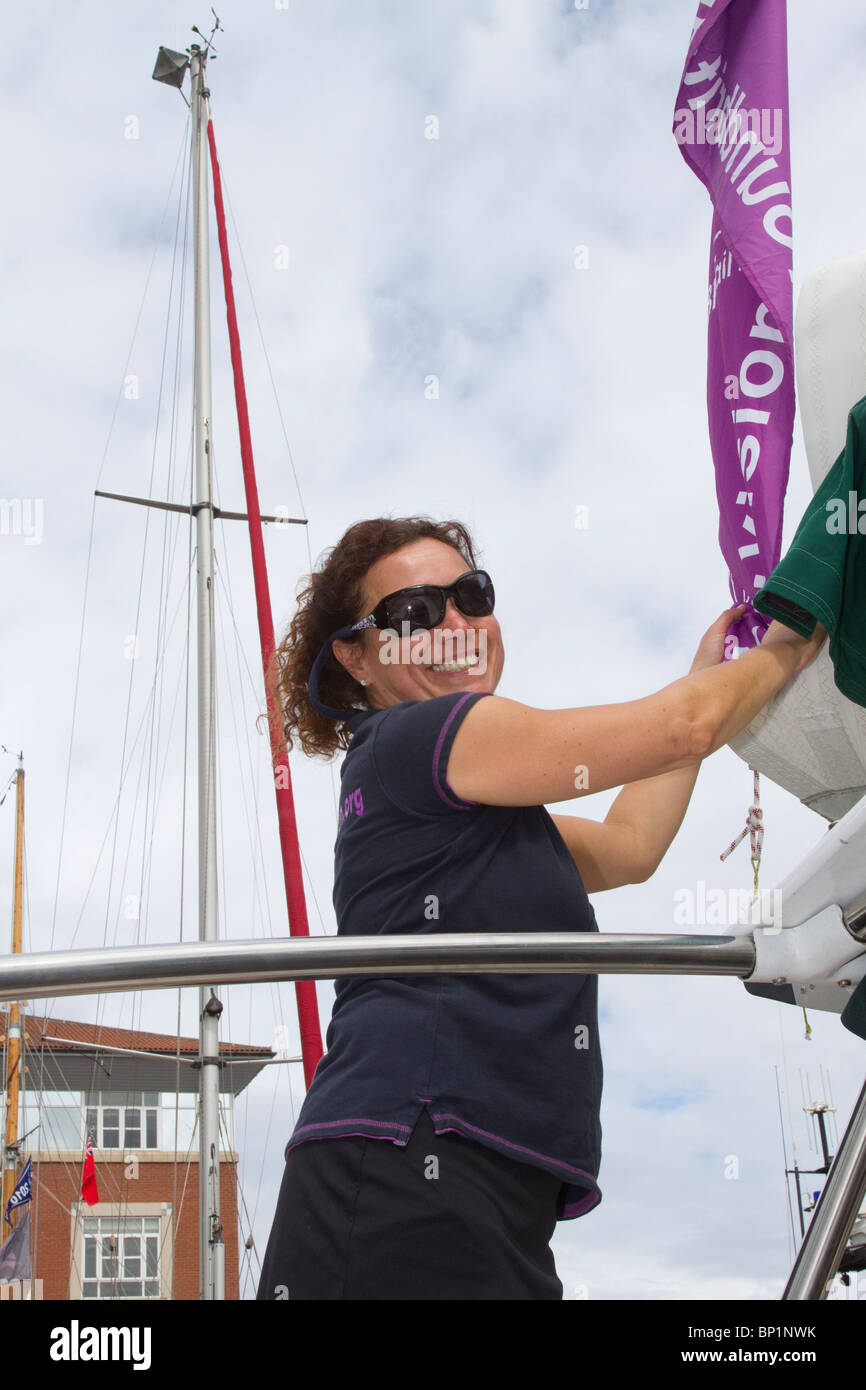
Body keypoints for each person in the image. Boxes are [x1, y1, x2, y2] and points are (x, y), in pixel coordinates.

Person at [257, 516, 826, 1301]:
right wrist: (793, 639)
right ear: (356, 658)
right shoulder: (423, 738)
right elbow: (681, 725)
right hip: (406, 1163)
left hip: (463, 1175)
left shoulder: (457, 804)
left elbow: (631, 846)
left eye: (470, 595)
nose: (456, 624)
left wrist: (705, 670)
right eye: (415, 613)